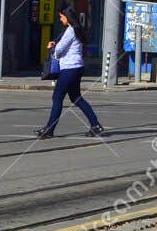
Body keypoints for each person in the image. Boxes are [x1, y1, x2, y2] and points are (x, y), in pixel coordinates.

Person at [34, 8, 106, 139]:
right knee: (76, 98)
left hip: (69, 68)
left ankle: (49, 130)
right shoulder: (76, 30)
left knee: (57, 98)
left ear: (67, 17)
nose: (60, 19)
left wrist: (52, 48)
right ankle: (95, 125)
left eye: (61, 16)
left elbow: (59, 50)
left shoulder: (70, 30)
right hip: (77, 67)